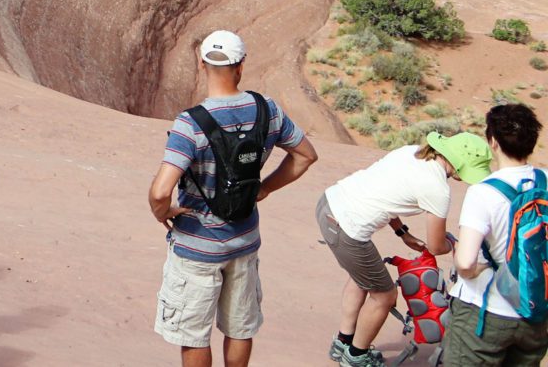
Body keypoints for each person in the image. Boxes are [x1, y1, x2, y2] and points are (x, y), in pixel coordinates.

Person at [147, 29, 318, 367]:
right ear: (241, 66)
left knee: (194, 333)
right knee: (239, 328)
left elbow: (160, 191)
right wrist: (264, 187)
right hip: (244, 241)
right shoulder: (266, 109)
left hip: (197, 246)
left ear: (201, 64)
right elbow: (305, 156)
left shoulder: (190, 124)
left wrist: (162, 212)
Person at [318, 131, 490, 366]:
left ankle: (343, 342)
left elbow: (383, 191)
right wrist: (454, 242)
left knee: (362, 278)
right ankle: (356, 357)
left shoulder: (410, 152)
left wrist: (402, 233)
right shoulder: (438, 188)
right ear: (460, 164)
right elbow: (436, 246)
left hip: (329, 203)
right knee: (384, 296)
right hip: (347, 229)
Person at [450, 103, 548, 367]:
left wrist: (472, 270)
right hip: (535, 313)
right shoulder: (546, 181)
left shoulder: (483, 193)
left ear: (493, 141)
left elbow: (466, 261)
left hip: (485, 313)